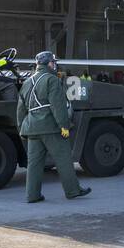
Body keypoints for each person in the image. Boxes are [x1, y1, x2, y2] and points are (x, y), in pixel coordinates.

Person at [18, 51, 90, 204]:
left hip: (32, 129)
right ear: (49, 63)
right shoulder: (52, 80)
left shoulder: (26, 82)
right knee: (63, 159)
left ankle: (32, 195)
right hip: (50, 127)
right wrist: (64, 125)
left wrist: (21, 129)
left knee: (34, 164)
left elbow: (20, 109)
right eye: (53, 62)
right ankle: (73, 191)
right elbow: (58, 106)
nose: (55, 64)